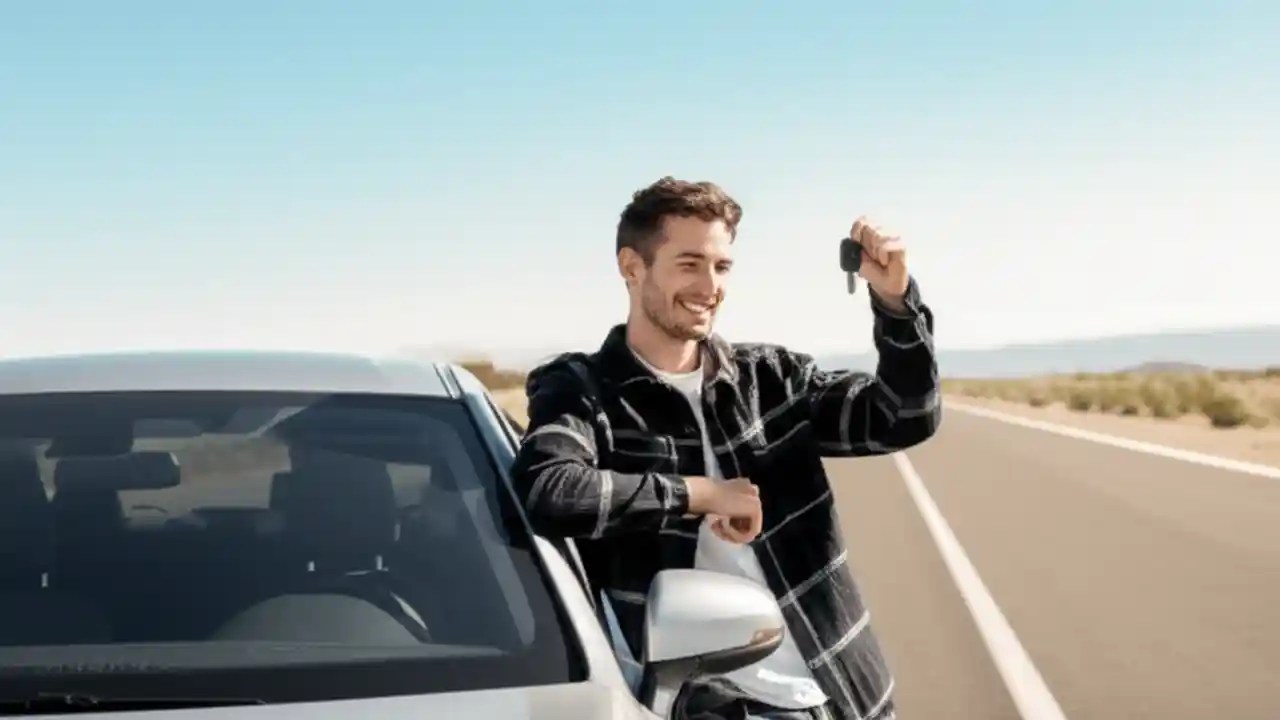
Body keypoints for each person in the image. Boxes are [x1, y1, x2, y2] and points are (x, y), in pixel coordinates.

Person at [510, 176, 940, 720]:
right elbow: (550, 490)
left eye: (722, 266)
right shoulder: (583, 390)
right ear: (631, 266)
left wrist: (896, 304)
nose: (709, 286)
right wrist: (701, 494)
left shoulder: (773, 378)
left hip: (848, 694)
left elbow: (904, 417)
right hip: (708, 705)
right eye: (689, 264)